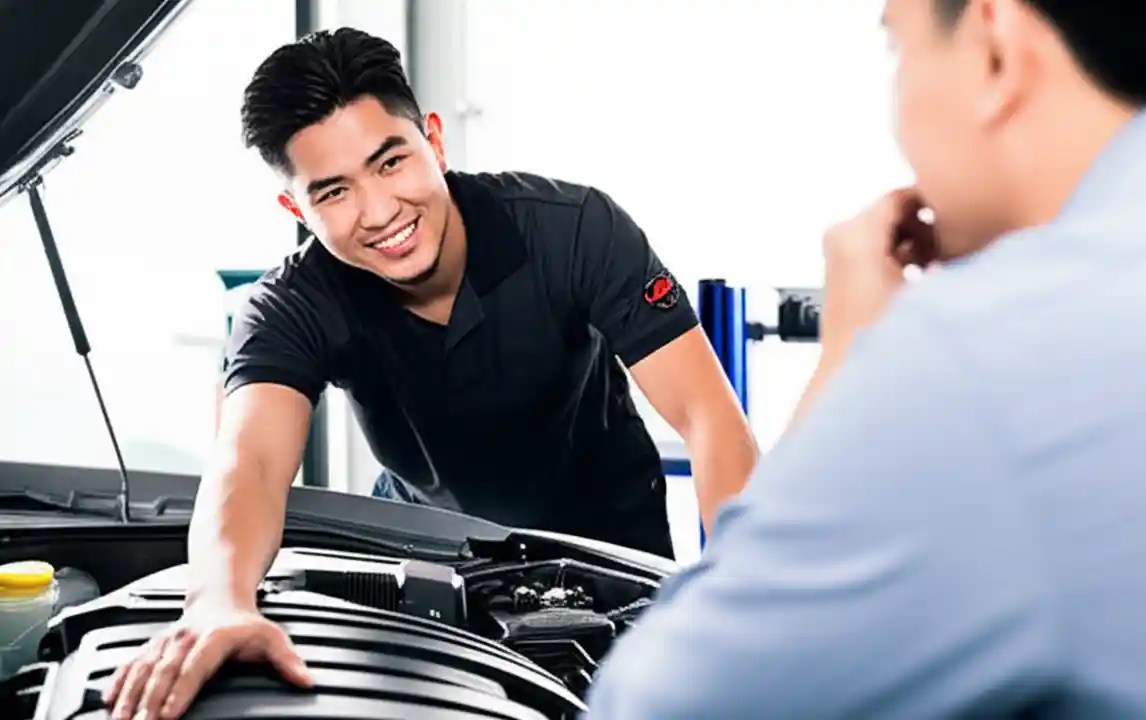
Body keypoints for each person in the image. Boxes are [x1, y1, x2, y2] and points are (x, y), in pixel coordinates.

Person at [585, 0, 1146, 717]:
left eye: (900, 50)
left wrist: (848, 373)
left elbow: (653, 704)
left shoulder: (987, 363)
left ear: (995, 49)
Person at [104, 27, 758, 720]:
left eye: (391, 163)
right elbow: (251, 462)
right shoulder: (292, 304)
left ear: (436, 142)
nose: (381, 212)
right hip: (432, 569)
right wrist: (218, 603)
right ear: (296, 210)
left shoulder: (574, 230)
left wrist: (749, 592)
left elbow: (707, 416)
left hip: (612, 558)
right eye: (334, 193)